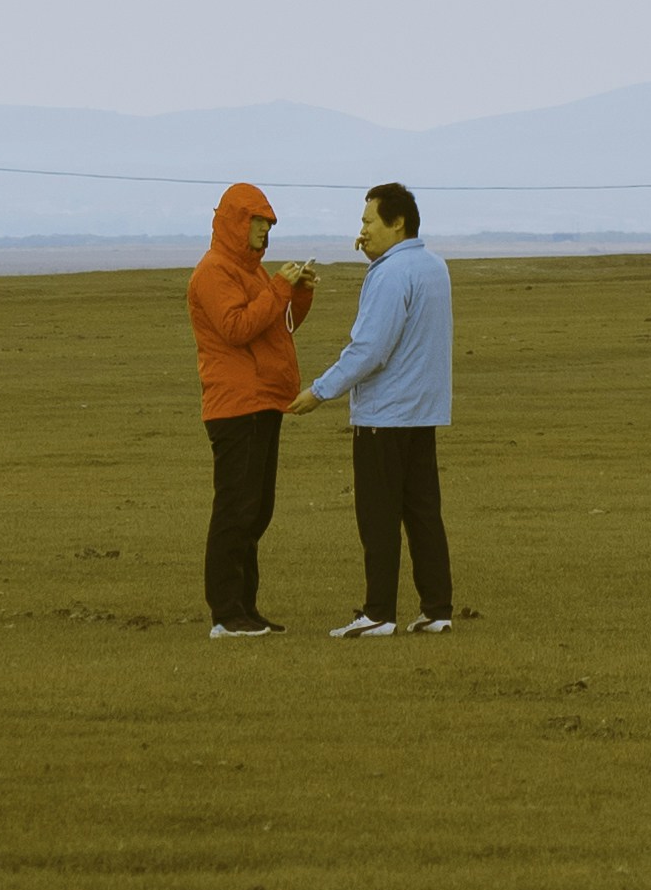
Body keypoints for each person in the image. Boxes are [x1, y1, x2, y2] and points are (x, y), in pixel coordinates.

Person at [304, 183, 454, 638]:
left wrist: (319, 391)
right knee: (423, 512)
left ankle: (378, 613)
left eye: (369, 222)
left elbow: (370, 349)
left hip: (383, 418)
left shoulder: (389, 275)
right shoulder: (434, 266)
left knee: (378, 516)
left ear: (398, 223)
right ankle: (437, 608)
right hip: (423, 414)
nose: (362, 232)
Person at [186, 184, 314, 640]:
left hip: (262, 402)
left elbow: (277, 326)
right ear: (235, 223)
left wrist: (296, 295)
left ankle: (244, 609)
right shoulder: (213, 271)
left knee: (256, 510)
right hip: (235, 405)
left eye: (268, 225)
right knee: (236, 509)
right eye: (257, 223)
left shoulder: (254, 273)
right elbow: (238, 328)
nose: (263, 231)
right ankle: (225, 613)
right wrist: (280, 286)